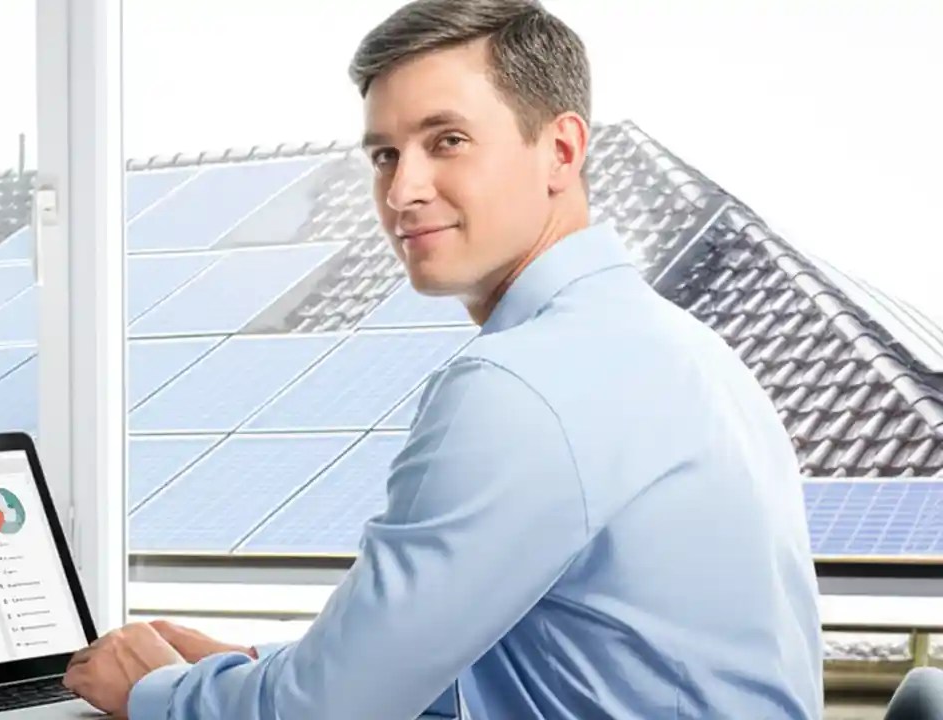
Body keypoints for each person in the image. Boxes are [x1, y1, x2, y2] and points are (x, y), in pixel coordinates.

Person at [62, 0, 824, 717]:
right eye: (385, 155)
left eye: (446, 141)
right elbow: (533, 654)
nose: (402, 190)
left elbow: (323, 713)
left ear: (560, 149)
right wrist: (264, 668)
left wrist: (158, 692)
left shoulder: (521, 384)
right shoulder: (682, 348)